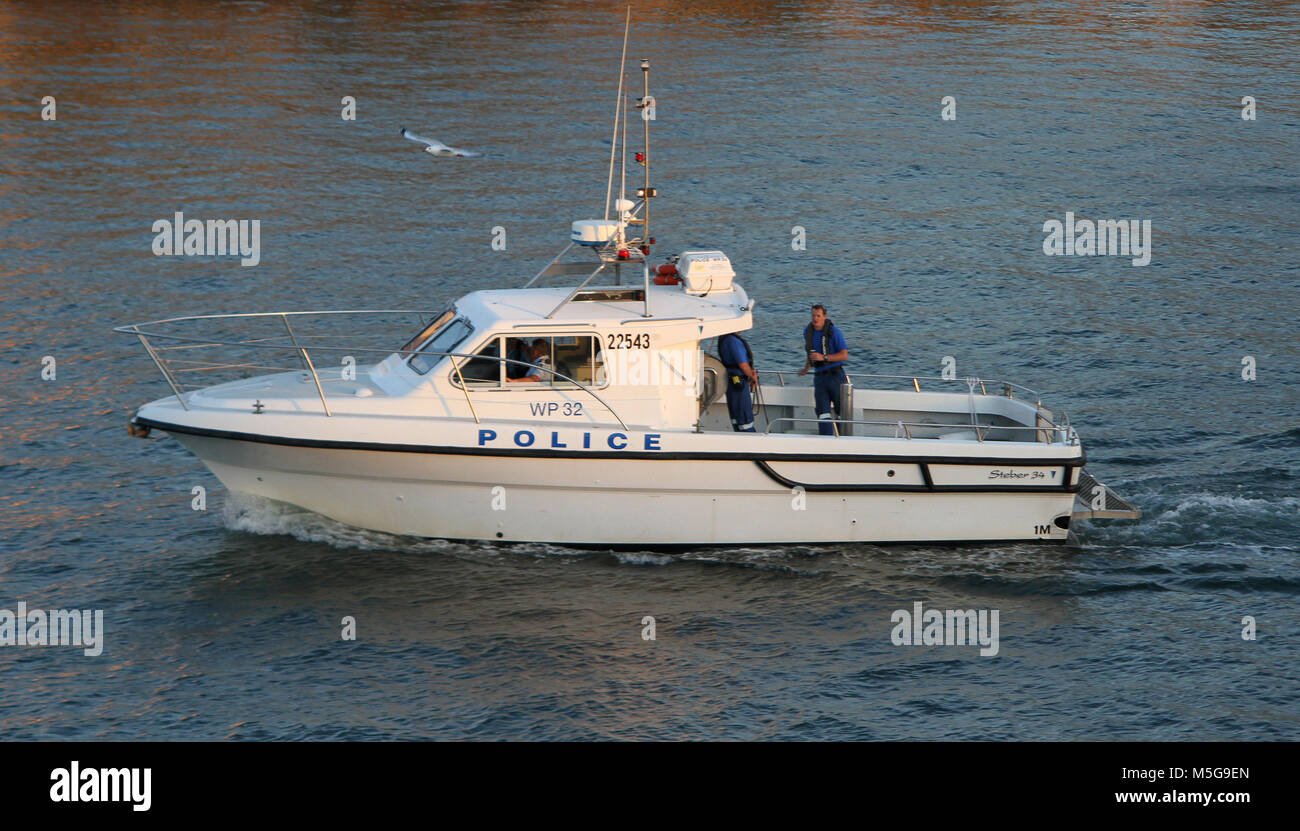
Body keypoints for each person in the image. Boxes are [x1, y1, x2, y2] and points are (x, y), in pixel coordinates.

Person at [797, 303, 848, 435]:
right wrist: (806, 368)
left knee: (841, 412)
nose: (815, 319)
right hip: (819, 378)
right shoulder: (807, 332)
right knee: (822, 413)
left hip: (835, 376)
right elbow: (811, 353)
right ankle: (826, 442)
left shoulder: (835, 333)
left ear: (824, 316)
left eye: (818, 316)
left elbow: (844, 355)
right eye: (813, 315)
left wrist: (824, 357)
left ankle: (842, 441)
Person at [718, 331, 758, 432]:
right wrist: (753, 376)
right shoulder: (733, 341)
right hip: (738, 381)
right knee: (744, 418)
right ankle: (750, 440)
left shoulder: (724, 338)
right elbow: (743, 365)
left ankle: (739, 435)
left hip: (732, 381)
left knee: (735, 416)